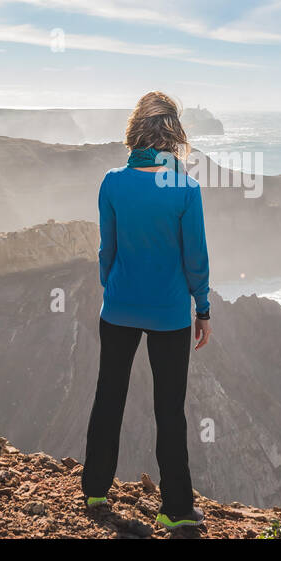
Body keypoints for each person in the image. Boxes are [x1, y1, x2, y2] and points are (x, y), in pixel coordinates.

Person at [81, 91, 212, 530]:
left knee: (108, 397)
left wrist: (114, 290)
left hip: (118, 309)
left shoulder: (112, 181)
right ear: (173, 134)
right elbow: (195, 257)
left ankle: (96, 490)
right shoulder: (185, 188)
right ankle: (176, 510)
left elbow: (107, 249)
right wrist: (203, 307)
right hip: (170, 316)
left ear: (136, 130)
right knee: (169, 410)